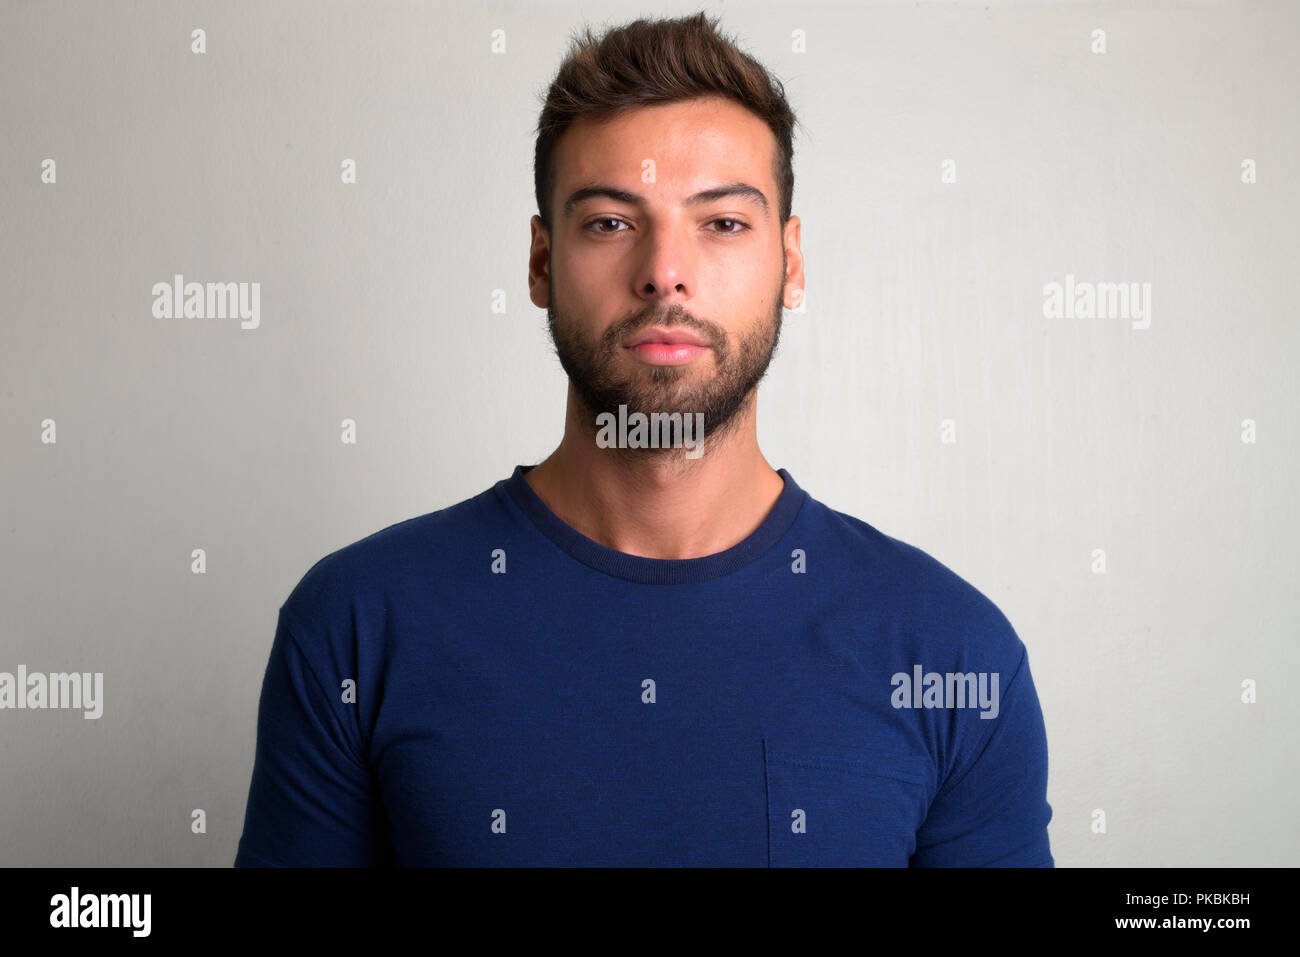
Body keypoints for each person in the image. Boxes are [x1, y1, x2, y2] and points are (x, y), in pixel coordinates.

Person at [235, 11, 1053, 867]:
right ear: (541, 263)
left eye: (724, 223)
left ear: (792, 260)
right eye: (611, 222)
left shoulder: (951, 654)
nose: (665, 269)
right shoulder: (357, 626)